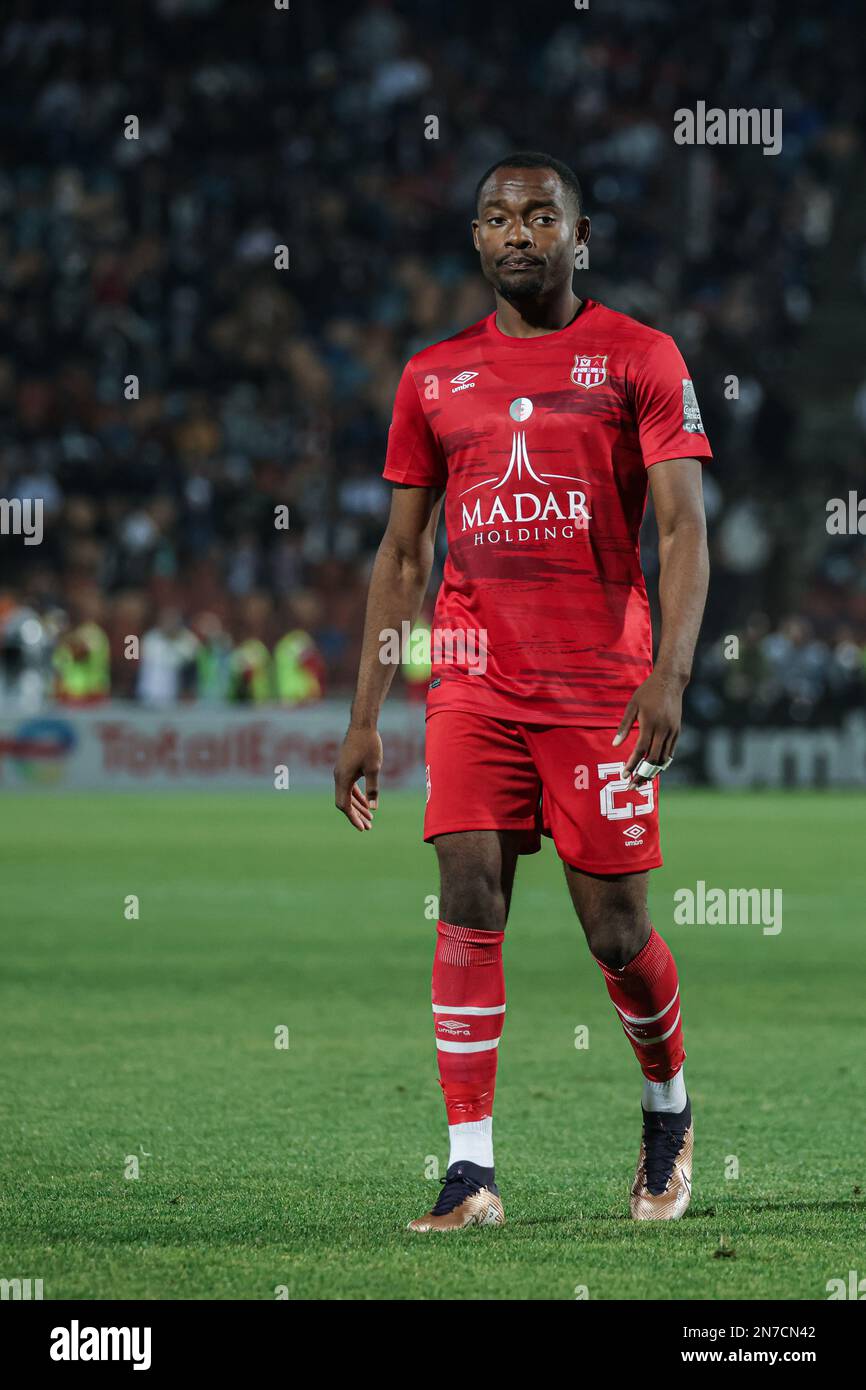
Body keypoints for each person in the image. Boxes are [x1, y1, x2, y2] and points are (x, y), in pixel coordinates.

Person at [334, 152, 711, 1230]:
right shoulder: (432, 376)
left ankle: (666, 1104)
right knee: (466, 895)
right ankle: (469, 1169)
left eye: (539, 217)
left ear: (575, 236)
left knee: (614, 933)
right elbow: (401, 556)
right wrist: (363, 716)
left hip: (598, 684)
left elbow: (683, 527)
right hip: (469, 677)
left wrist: (667, 674)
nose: (516, 234)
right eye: (497, 217)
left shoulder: (639, 356)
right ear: (474, 239)